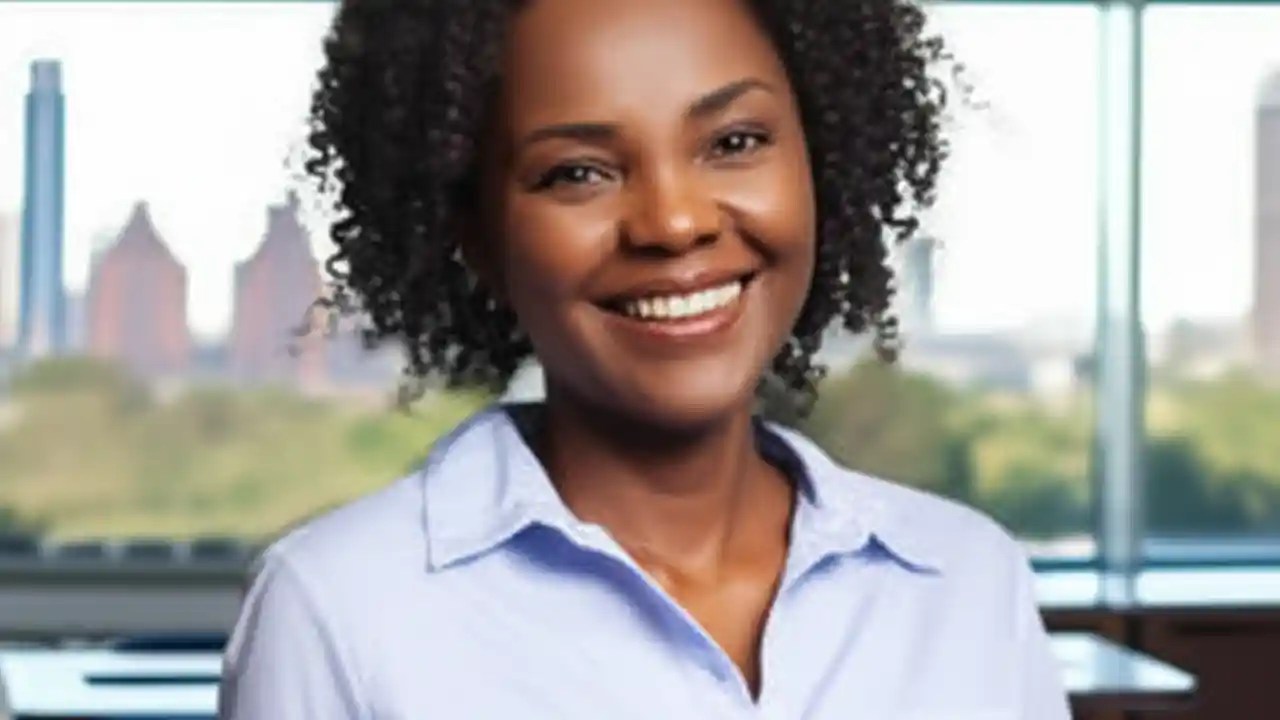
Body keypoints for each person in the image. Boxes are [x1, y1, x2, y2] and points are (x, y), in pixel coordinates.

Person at [218, 0, 1070, 717]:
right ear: (475, 235)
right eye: (578, 173)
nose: (672, 222)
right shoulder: (337, 610)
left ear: (824, 160)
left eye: (734, 143)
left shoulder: (968, 582)